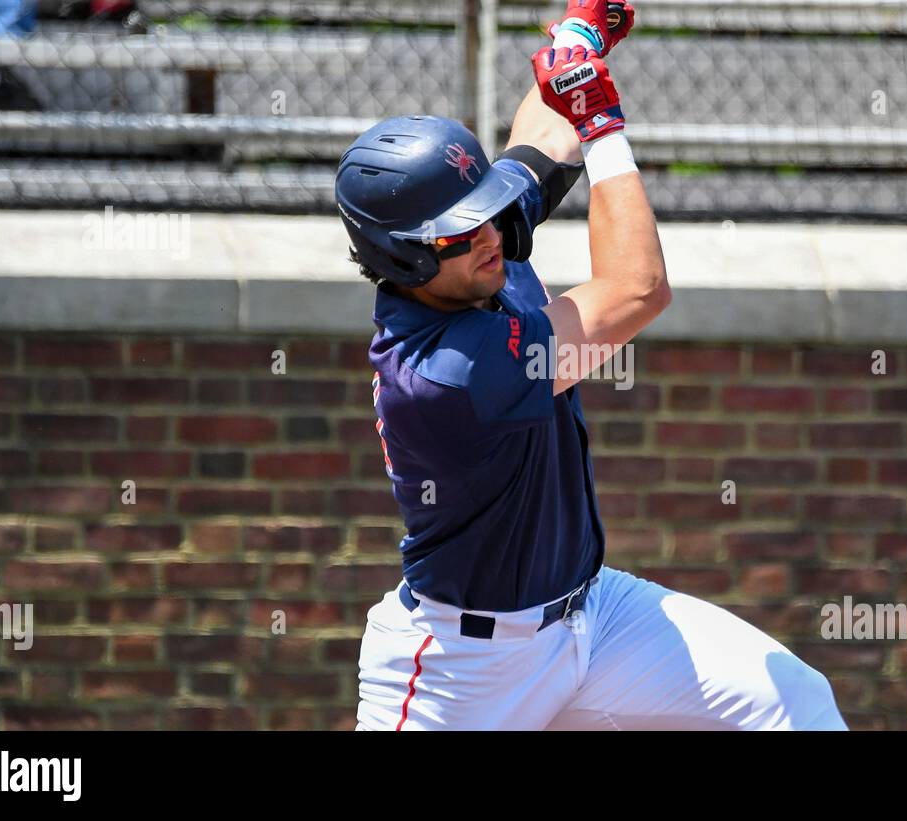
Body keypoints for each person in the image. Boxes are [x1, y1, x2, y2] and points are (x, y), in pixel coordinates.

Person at [340, 0, 847, 731]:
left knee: (797, 704)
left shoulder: (469, 256)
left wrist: (577, 42)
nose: (489, 233)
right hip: (462, 670)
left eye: (484, 210)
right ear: (406, 254)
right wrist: (603, 125)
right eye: (458, 229)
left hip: (594, 616)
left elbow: (538, 139)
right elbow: (638, 289)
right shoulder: (445, 372)